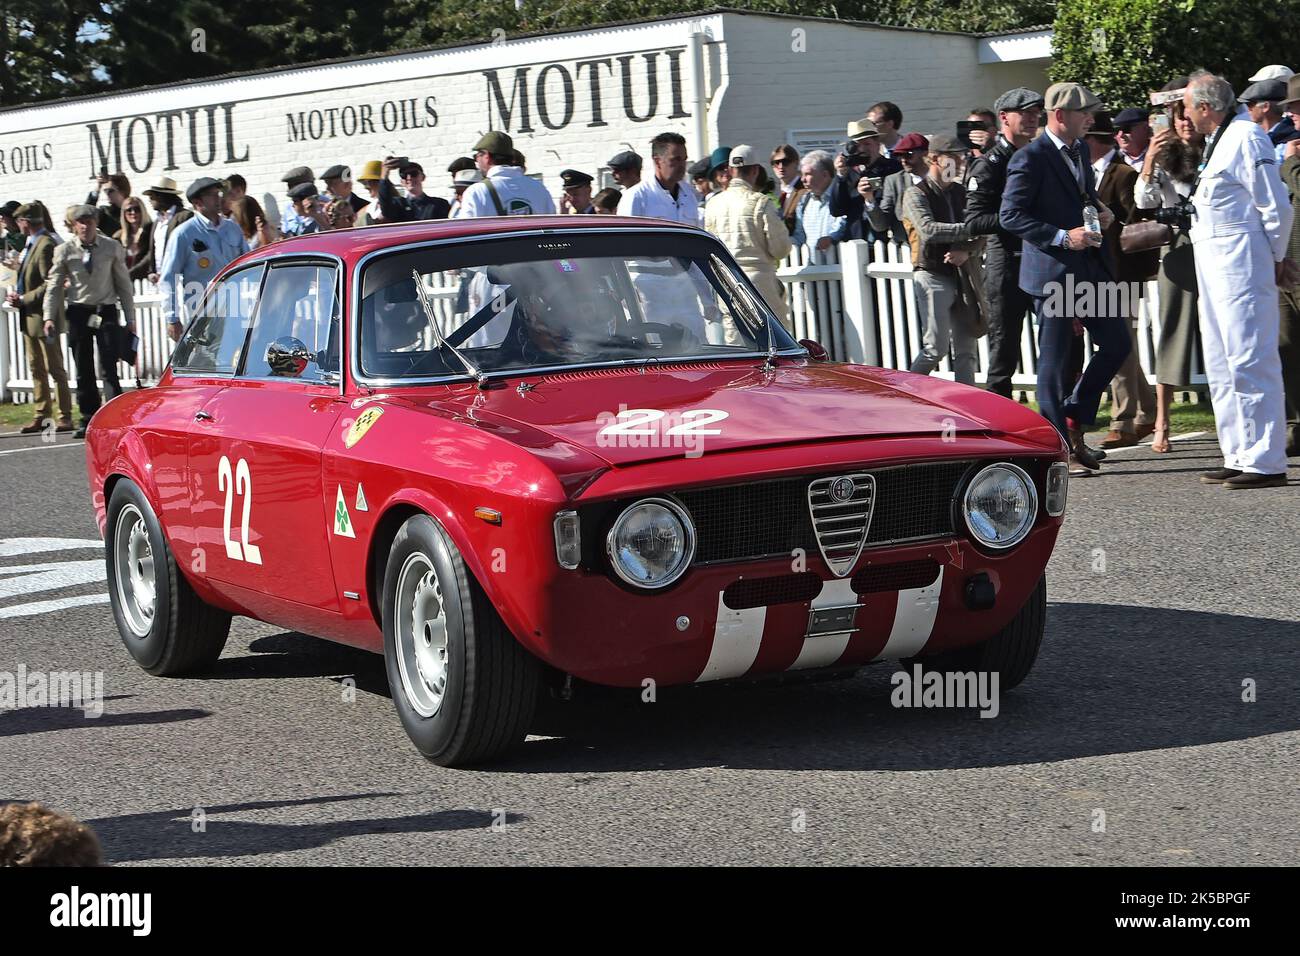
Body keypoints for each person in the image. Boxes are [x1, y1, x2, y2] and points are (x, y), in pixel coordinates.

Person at [1000, 82, 1127, 476]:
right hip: (1053, 274)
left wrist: (1100, 211)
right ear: (1061, 116)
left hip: (1089, 268)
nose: (1092, 118)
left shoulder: (1079, 151)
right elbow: (1011, 215)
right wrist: (1060, 237)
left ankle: (1074, 414)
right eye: (1084, 112)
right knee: (1053, 367)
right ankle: (1058, 447)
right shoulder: (1031, 158)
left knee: (1117, 343)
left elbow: (1080, 197)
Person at [1183, 70, 1294, 488]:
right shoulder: (1218, 141)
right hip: (1213, 264)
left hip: (1242, 262)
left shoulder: (1246, 137)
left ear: (1207, 107)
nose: (1186, 115)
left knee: (1251, 357)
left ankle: (1266, 461)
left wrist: (1277, 258)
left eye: (1190, 106)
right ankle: (1238, 452)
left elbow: (1276, 207)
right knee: (1220, 361)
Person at [1135, 76, 1205, 454]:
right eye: (1178, 116)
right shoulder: (1162, 155)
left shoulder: (1216, 148)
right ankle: (1162, 421)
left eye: (1189, 114)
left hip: (1214, 242)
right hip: (1177, 247)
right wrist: (1148, 159)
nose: (1184, 122)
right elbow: (1144, 201)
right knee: (1172, 332)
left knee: (1220, 332)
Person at [1085, 111, 1159, 448]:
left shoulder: (1123, 174)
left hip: (1122, 273)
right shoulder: (1086, 174)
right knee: (1122, 345)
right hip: (1099, 271)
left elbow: (1137, 220)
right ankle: (1149, 410)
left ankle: (1123, 421)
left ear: (1093, 140)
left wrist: (1106, 221)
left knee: (1117, 346)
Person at [966, 88, 1043, 399]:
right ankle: (1002, 432)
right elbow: (974, 221)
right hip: (1007, 265)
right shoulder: (990, 164)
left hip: (1042, 261)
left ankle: (1069, 435)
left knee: (1062, 343)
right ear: (1004, 118)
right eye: (1024, 112)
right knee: (1004, 353)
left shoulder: (1041, 156)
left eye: (1036, 111)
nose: (1032, 117)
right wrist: (1019, 217)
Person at [43, 204, 136, 437]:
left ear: (96, 223)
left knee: (108, 364)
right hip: (79, 311)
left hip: (105, 310)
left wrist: (130, 317)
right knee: (82, 366)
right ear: (74, 226)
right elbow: (54, 286)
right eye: (81, 222)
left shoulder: (111, 247)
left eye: (90, 221)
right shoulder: (65, 251)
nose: (86, 226)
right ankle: (88, 418)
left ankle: (113, 419)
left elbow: (123, 284)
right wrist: (48, 316)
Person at [900, 134, 979, 385]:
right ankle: (907, 393)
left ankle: (968, 408)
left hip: (963, 272)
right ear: (934, 158)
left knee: (967, 349)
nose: (960, 162)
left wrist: (967, 250)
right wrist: (969, 230)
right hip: (932, 273)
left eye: (962, 156)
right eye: (954, 157)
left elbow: (984, 232)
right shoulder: (915, 194)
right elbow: (929, 230)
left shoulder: (963, 192)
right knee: (936, 348)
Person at [5, 202, 72, 433]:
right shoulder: (30, 244)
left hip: (44, 316)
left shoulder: (45, 244)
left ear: (26, 222)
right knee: (36, 367)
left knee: (54, 367)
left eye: (20, 221)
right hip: (29, 317)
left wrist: (24, 298)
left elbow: (50, 283)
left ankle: (64, 415)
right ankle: (42, 414)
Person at [705, 144, 792, 320]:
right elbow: (780, 249)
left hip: (728, 281)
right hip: (761, 283)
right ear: (755, 171)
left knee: (737, 338)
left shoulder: (713, 204)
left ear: (730, 170)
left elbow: (709, 248)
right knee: (774, 337)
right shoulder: (762, 202)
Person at [157, 177, 249, 342]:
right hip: (203, 314)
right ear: (197, 202)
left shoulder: (233, 229)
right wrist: (172, 317)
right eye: (212, 195)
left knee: (237, 362)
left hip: (237, 311)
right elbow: (168, 277)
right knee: (209, 363)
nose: (218, 198)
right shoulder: (184, 234)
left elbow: (249, 266)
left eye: (219, 193)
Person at [828, 117, 903, 242]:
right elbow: (837, 210)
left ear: (877, 144)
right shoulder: (850, 172)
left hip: (885, 239)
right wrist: (840, 177)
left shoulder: (893, 168)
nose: (862, 149)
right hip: (856, 239)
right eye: (857, 145)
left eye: (867, 144)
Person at [456, 131, 555, 217]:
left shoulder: (476, 192)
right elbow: (552, 227)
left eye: (476, 156)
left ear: (486, 156)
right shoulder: (539, 188)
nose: (476, 162)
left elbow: (465, 233)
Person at [1279, 74, 1300, 455]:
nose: (1292, 116)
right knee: (1286, 345)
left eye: (1296, 109)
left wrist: (1291, 166)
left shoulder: (1291, 156)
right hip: (1288, 264)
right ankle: (1296, 427)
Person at [617, 132, 698, 223]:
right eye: (676, 159)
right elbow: (627, 235)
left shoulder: (690, 194)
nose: (682, 165)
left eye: (684, 159)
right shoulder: (636, 197)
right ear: (657, 161)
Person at [792, 150, 848, 263]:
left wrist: (831, 238)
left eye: (808, 174)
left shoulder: (841, 195)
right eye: (802, 175)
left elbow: (843, 222)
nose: (802, 179)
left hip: (838, 267)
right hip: (813, 271)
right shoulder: (804, 201)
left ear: (825, 175)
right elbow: (800, 235)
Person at [879, 132, 929, 244]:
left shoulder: (940, 178)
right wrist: (869, 200)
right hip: (905, 247)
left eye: (908, 154)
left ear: (925, 154)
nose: (903, 160)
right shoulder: (894, 181)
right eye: (900, 156)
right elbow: (881, 225)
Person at [141, 176, 191, 283]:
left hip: (179, 278)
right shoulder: (156, 222)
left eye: (152, 196)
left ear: (161, 196)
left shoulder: (184, 216)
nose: (150, 200)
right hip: (160, 279)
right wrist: (152, 271)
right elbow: (154, 250)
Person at [1238, 78, 1300, 162]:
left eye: (1250, 104)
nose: (1248, 109)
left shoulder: (1292, 140)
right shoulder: (1255, 134)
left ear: (1265, 107)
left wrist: (1290, 160)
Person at [114, 196, 153, 282]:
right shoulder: (118, 236)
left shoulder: (151, 231)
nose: (133, 212)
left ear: (143, 211)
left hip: (146, 281)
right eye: (129, 210)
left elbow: (150, 258)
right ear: (124, 213)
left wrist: (130, 274)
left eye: (137, 209)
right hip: (125, 283)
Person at [771, 144, 805, 234]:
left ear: (796, 163)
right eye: (776, 163)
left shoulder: (804, 191)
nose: (781, 166)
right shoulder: (777, 193)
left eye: (785, 161)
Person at [86, 172, 130, 237]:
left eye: (110, 191)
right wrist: (98, 188)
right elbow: (86, 213)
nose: (107, 194)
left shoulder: (134, 210)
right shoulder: (105, 213)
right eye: (105, 191)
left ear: (122, 191)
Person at [279, 166, 316, 236]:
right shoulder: (289, 208)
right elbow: (284, 231)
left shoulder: (322, 205)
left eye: (290, 186)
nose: (288, 190)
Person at [355, 160, 385, 225]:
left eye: (367, 182)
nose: (365, 187)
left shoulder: (396, 205)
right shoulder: (368, 208)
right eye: (364, 183)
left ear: (379, 182)